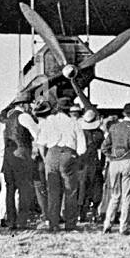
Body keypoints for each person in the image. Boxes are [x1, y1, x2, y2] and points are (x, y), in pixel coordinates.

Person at [36, 97, 86, 232]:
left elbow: (40, 144)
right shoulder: (74, 123)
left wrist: (46, 158)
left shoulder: (48, 122)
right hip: (68, 154)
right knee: (70, 190)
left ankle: (53, 223)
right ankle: (70, 223)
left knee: (53, 191)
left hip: (51, 154)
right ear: (69, 109)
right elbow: (82, 147)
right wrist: (77, 157)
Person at [101, 103, 130, 234]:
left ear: (123, 113)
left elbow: (104, 147)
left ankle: (107, 224)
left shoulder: (114, 127)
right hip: (128, 162)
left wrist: (111, 156)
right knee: (127, 197)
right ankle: (123, 227)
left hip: (114, 163)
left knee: (115, 195)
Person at [1, 101, 40, 231]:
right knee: (25, 188)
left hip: (8, 156)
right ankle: (22, 221)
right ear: (25, 104)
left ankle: (11, 221)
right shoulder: (24, 117)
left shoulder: (8, 118)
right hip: (22, 154)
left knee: (10, 189)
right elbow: (37, 133)